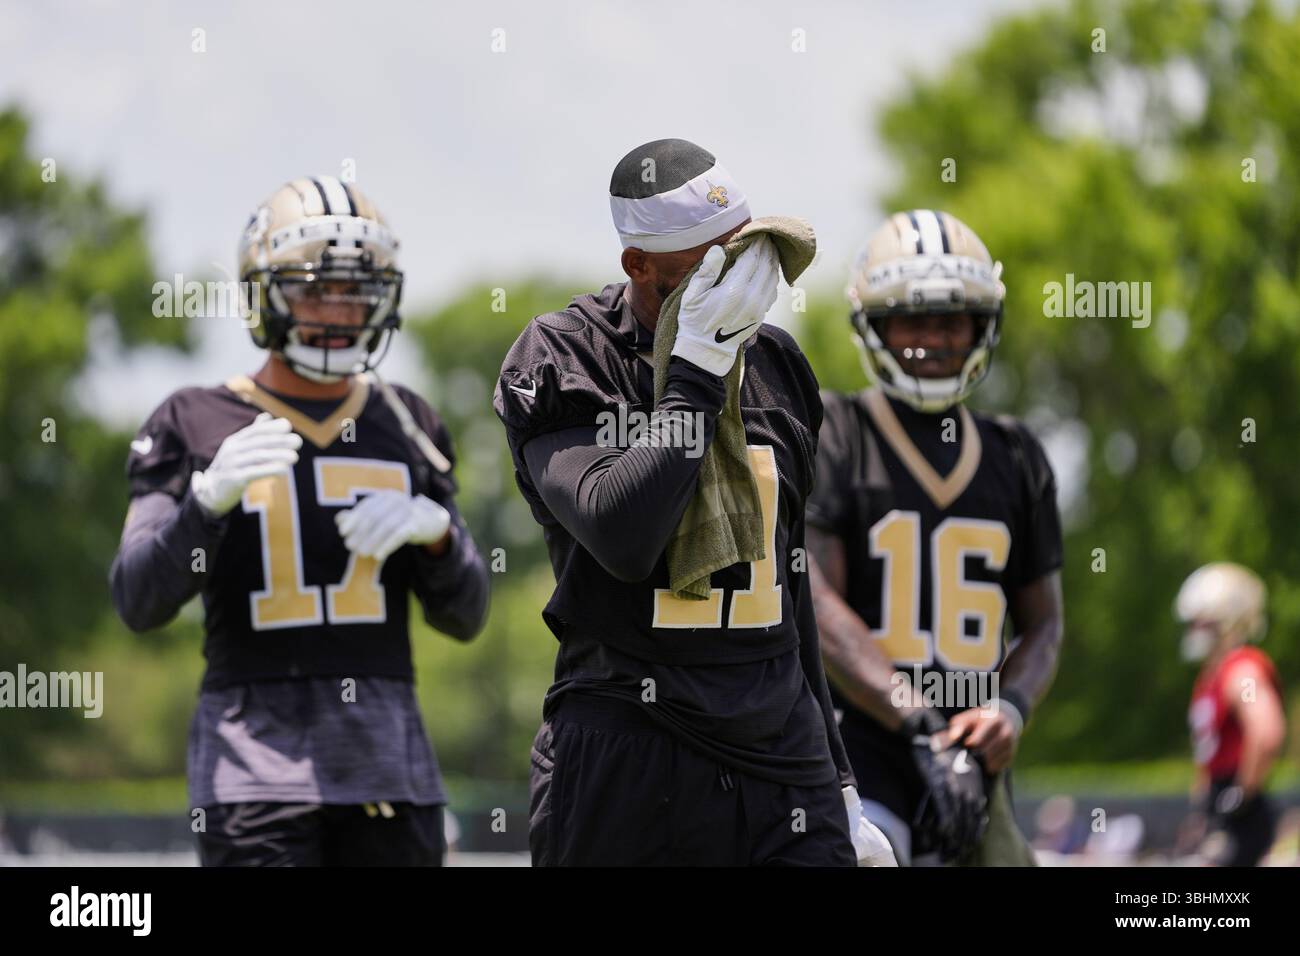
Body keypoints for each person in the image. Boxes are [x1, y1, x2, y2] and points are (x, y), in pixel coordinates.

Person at [494, 138, 893, 866]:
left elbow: (789, 579)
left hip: (779, 743)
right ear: (637, 265)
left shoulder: (776, 363)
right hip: (631, 742)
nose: (730, 281)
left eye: (738, 257)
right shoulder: (566, 356)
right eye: (702, 263)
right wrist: (695, 374)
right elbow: (623, 533)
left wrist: (837, 779)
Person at [109, 176, 489, 866]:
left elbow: (465, 617)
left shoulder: (407, 420)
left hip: (388, 768)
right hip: (253, 770)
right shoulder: (191, 420)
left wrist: (439, 537)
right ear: (264, 293)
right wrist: (204, 507)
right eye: (317, 289)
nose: (340, 310)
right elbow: (138, 599)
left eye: (357, 290)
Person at [806, 210, 1064, 865]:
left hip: (974, 758)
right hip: (856, 747)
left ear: (983, 325)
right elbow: (815, 599)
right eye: (911, 320)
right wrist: (918, 721)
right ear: (873, 325)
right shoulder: (838, 433)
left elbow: (1044, 623)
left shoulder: (1016, 454)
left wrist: (1009, 708)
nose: (933, 339)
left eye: (952, 319)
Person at [1176, 562, 1285, 866]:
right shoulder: (1211, 675)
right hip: (1220, 805)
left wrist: (1239, 796)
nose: (1193, 630)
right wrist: (1203, 807)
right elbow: (1207, 750)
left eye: (1201, 622)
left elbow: (1266, 732)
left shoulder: (1242, 668)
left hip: (1240, 813)